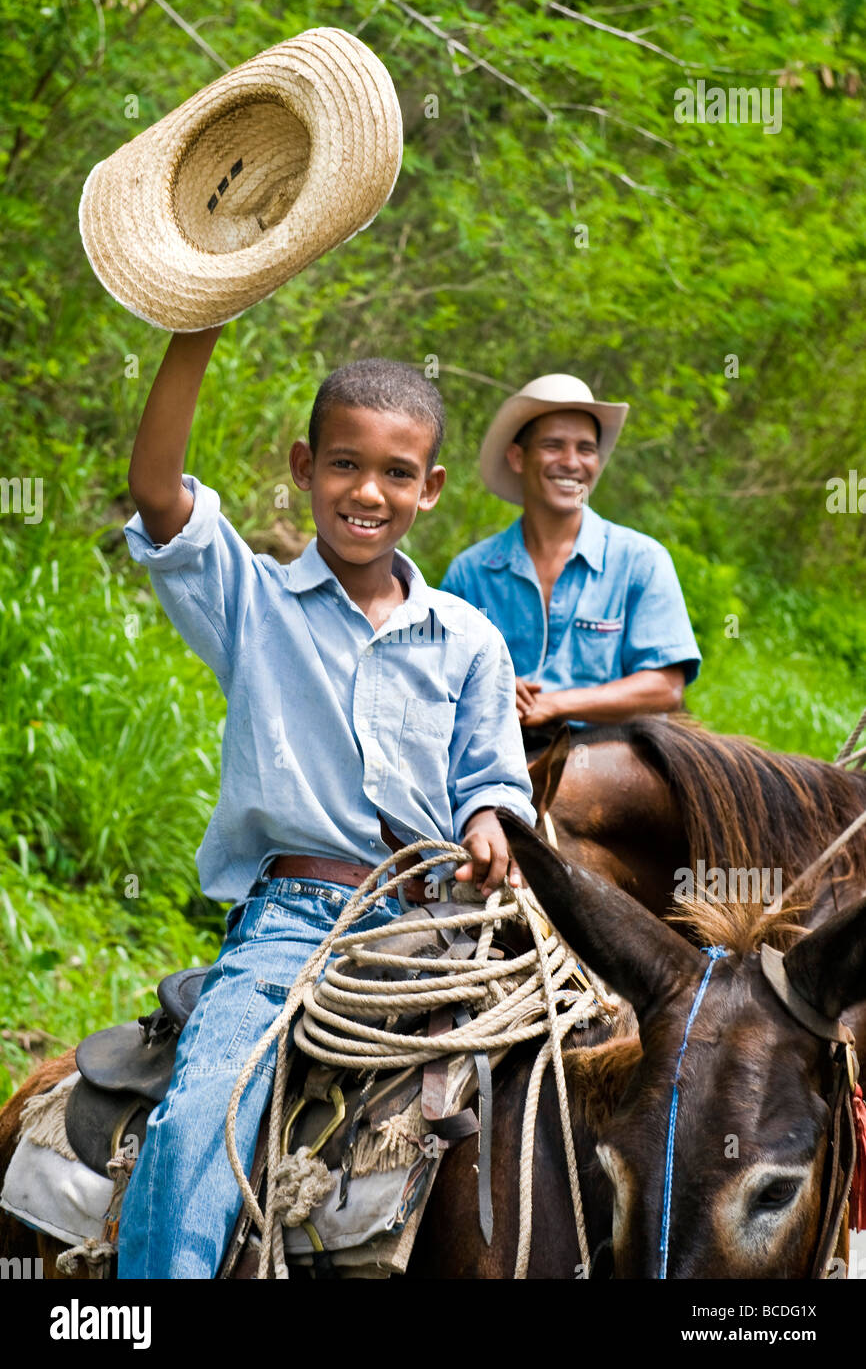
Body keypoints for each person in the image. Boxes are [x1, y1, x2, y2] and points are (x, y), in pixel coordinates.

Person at [117, 328, 535, 1278]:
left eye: (396, 473)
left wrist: (486, 824)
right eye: (345, 465)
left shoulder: (468, 637)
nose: (368, 493)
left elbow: (496, 782)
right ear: (305, 469)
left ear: (428, 489)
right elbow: (158, 495)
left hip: (444, 927)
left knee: (595, 1073)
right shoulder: (252, 605)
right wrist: (198, 329)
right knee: (203, 1115)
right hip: (294, 926)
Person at [440, 374, 701, 753]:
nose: (571, 462)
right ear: (517, 457)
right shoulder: (472, 572)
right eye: (553, 446)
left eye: (585, 449)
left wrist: (553, 704)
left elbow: (665, 687)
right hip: (500, 756)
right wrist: (486, 684)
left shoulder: (640, 561)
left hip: (615, 761)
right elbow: (436, 670)